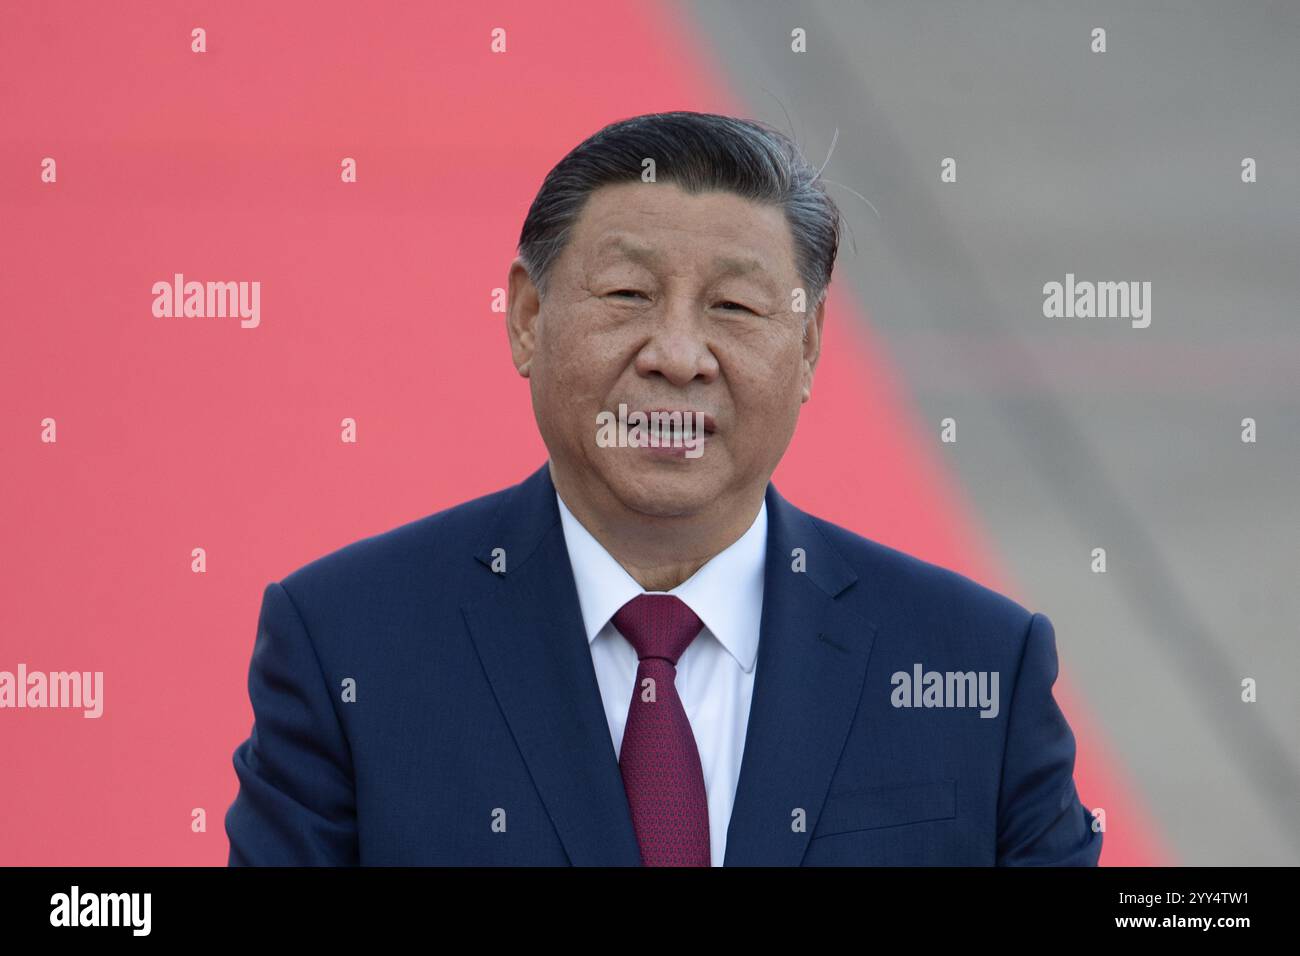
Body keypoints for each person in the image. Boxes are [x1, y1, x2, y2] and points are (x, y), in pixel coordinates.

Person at [224, 110, 1102, 866]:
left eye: (735, 308)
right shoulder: (350, 644)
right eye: (628, 293)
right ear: (528, 318)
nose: (677, 356)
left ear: (807, 347)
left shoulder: (976, 661)